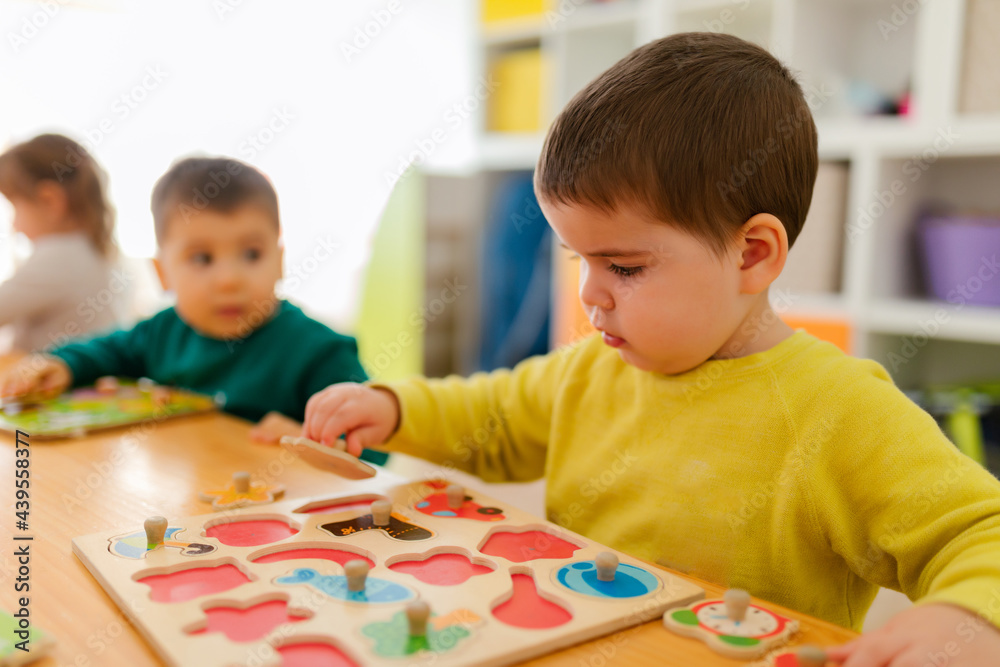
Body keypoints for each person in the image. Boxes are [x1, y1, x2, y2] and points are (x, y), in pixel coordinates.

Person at [300, 33, 1000, 664]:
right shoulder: (590, 370)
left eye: (625, 267)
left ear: (752, 254)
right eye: (579, 261)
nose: (590, 295)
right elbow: (492, 411)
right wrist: (391, 406)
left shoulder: (842, 410)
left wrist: (964, 620)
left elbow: (978, 530)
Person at [1, 156, 370, 447]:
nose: (229, 280)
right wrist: (62, 365)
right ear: (163, 274)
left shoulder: (319, 351)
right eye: (202, 259)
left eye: (252, 254)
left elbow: (374, 443)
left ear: (280, 262)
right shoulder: (164, 330)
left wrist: (324, 444)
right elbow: (107, 350)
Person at [0, 133, 121, 352]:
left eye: (16, 208)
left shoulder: (60, 256)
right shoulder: (89, 250)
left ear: (50, 200)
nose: (13, 225)